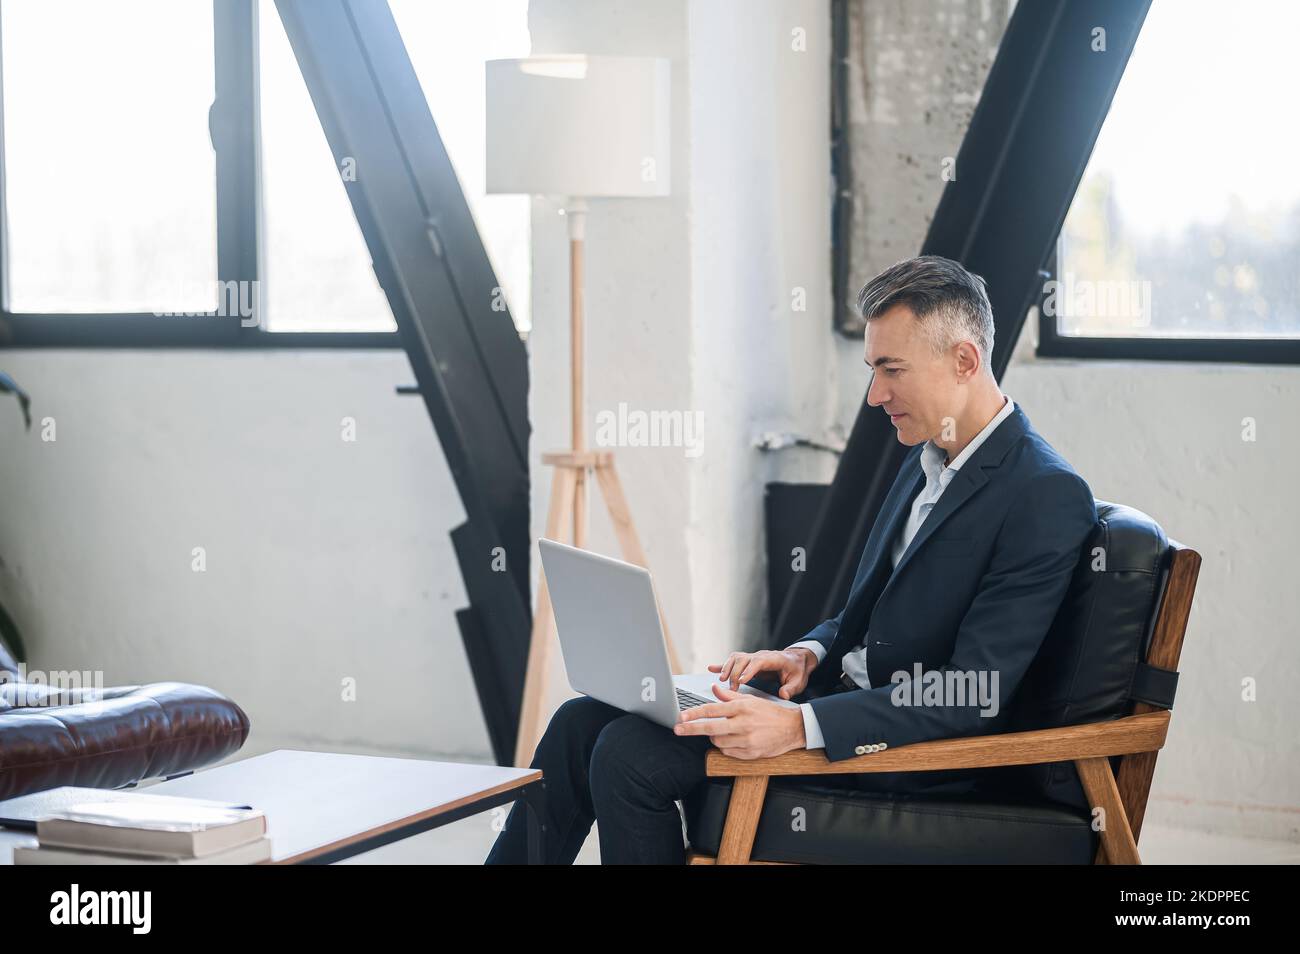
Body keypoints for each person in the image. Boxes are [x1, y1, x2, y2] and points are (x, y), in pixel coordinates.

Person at [486, 254, 1097, 864]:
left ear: (965, 360)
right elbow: (876, 612)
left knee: (627, 756)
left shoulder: (1042, 493)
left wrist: (798, 728)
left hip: (903, 752)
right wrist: (809, 652)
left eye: (891, 369)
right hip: (833, 706)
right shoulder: (928, 458)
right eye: (872, 368)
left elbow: (973, 692)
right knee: (579, 722)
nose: (874, 394)